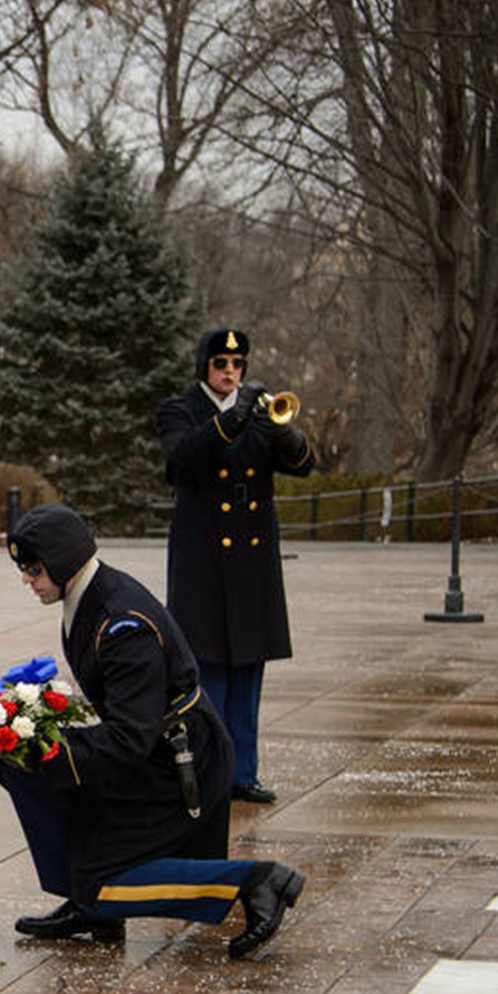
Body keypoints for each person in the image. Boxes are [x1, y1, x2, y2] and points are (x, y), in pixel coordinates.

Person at [0, 504, 306, 959]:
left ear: (62, 561)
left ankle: (255, 881)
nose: (27, 579)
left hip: (179, 764)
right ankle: (86, 903)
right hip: (158, 750)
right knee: (19, 763)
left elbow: (129, 738)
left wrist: (52, 749)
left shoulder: (122, 626)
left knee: (99, 879)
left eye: (34, 568)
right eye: (23, 569)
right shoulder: (91, 596)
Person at [155, 329, 315, 804]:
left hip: (251, 558)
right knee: (208, 670)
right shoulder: (180, 409)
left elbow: (304, 465)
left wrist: (282, 431)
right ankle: (211, 771)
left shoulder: (258, 412)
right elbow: (182, 458)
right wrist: (231, 419)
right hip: (204, 556)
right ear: (204, 366)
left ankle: (244, 771)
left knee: (248, 668)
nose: (230, 372)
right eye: (221, 362)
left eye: (237, 363)